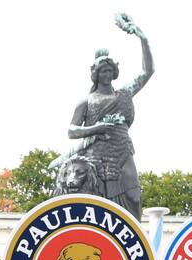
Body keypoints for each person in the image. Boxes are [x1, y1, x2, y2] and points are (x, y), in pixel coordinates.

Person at [65, 15, 154, 219]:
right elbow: (72, 130)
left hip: (122, 149)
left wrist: (143, 38)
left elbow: (148, 71)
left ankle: (133, 237)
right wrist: (98, 128)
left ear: (114, 72)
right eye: (102, 71)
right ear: (96, 75)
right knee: (99, 201)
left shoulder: (124, 93)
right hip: (95, 154)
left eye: (109, 71)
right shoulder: (86, 101)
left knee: (134, 197)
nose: (106, 74)